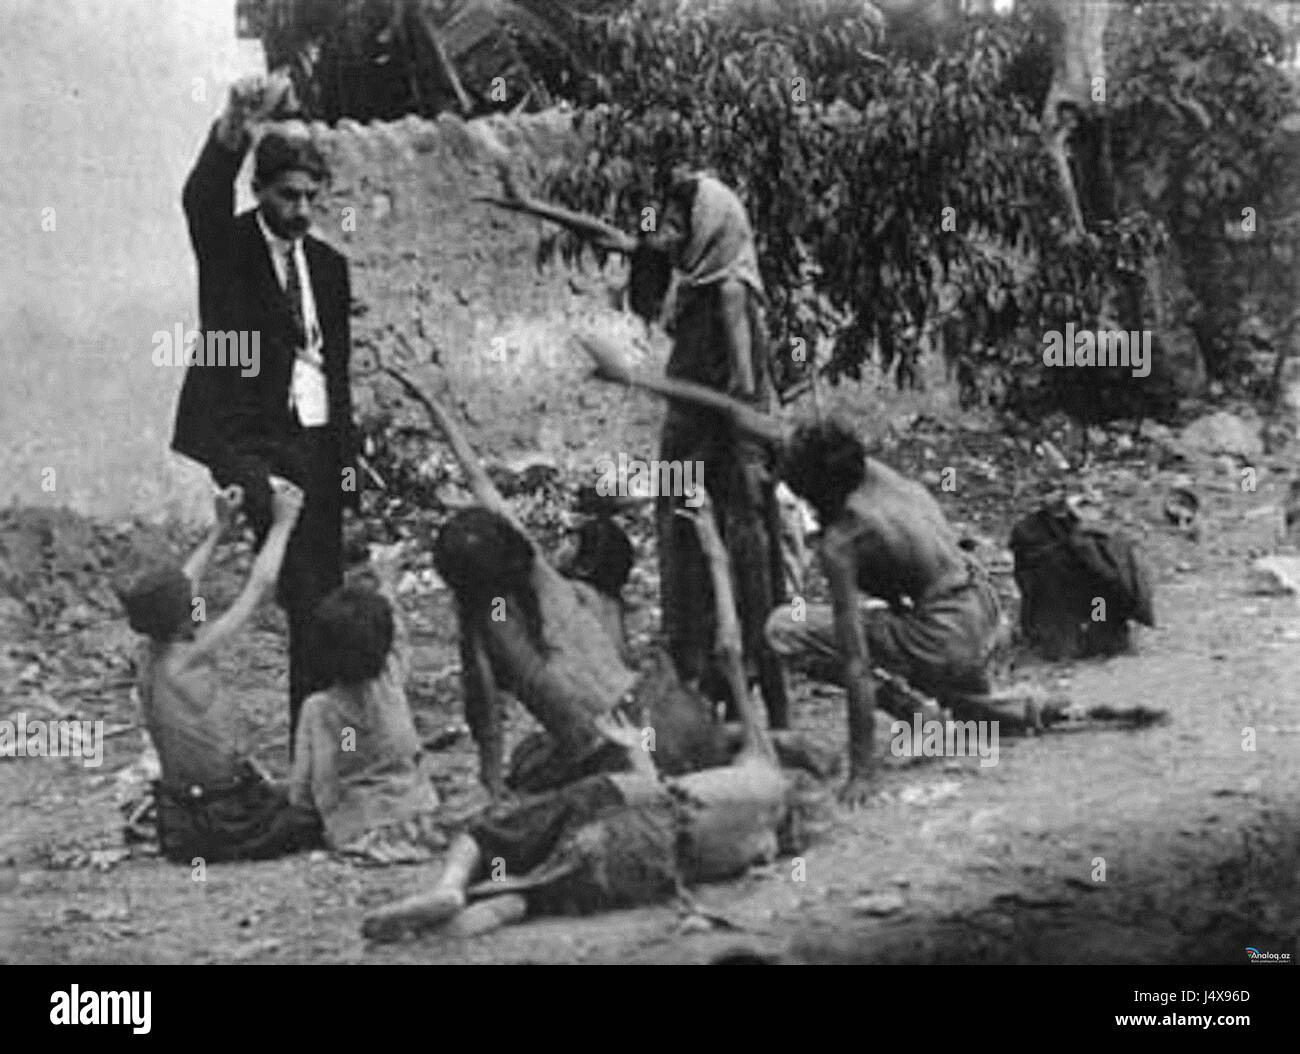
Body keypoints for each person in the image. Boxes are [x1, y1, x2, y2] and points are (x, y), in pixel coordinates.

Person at [577, 334, 1006, 808]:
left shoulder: (844, 540)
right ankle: (971, 702)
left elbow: (857, 665)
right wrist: (631, 377)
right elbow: (731, 411)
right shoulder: (868, 472)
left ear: (810, 489)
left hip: (948, 634)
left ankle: (921, 714)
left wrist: (861, 772)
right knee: (926, 656)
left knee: (786, 628)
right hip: (984, 604)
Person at [361, 491, 802, 943]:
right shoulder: (546, 578)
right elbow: (485, 489)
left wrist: (493, 784)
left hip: (623, 753)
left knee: (533, 800)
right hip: (675, 717)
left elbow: (485, 714)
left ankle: (472, 885)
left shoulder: (485, 620)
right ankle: (505, 895)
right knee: (560, 799)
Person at [170, 71, 358, 744]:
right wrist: (231, 129)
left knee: (326, 596)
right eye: (288, 196)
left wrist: (349, 463)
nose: (302, 209)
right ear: (260, 191)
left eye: (312, 196)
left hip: (317, 442)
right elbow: (199, 198)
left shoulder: (331, 268)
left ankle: (321, 735)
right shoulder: (229, 251)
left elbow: (337, 374)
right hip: (252, 441)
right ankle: (316, 748)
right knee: (308, 595)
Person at [647, 173, 790, 730]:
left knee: (740, 565)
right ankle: (704, 692)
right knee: (688, 562)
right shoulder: (694, 285)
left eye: (679, 224)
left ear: (711, 228)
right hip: (691, 443)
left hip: (721, 449)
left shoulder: (729, 290)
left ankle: (758, 696)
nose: (669, 233)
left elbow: (744, 386)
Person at [115, 481, 322, 862]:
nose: (198, 601)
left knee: (293, 793)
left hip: (185, 813)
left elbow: (185, 584)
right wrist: (282, 526)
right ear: (183, 614)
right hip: (220, 815)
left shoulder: (150, 650)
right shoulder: (186, 657)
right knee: (315, 819)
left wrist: (219, 529)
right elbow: (257, 590)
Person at [288, 545, 447, 863]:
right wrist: (387, 581)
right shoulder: (391, 682)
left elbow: (304, 792)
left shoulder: (319, 709)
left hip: (360, 830)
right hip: (419, 821)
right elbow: (396, 632)